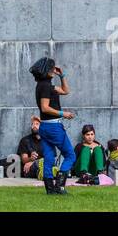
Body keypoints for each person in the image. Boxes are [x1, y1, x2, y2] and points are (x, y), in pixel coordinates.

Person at [31, 57, 75, 195]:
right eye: (51, 68)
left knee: (49, 158)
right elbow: (44, 108)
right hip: (53, 127)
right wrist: (63, 113)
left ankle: (50, 189)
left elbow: (65, 91)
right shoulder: (45, 86)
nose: (53, 70)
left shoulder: (45, 85)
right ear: (45, 70)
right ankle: (60, 186)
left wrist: (62, 75)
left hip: (45, 127)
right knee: (70, 155)